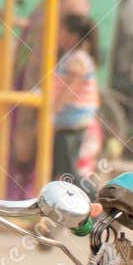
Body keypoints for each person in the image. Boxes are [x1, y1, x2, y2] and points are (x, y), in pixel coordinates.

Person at [51, 13, 100, 193]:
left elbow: (70, 89)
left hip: (71, 122)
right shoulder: (73, 56)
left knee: (69, 172)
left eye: (61, 31)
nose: (57, 34)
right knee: (62, 168)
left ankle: (94, 202)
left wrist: (52, 110)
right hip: (69, 122)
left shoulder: (77, 59)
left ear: (73, 35)